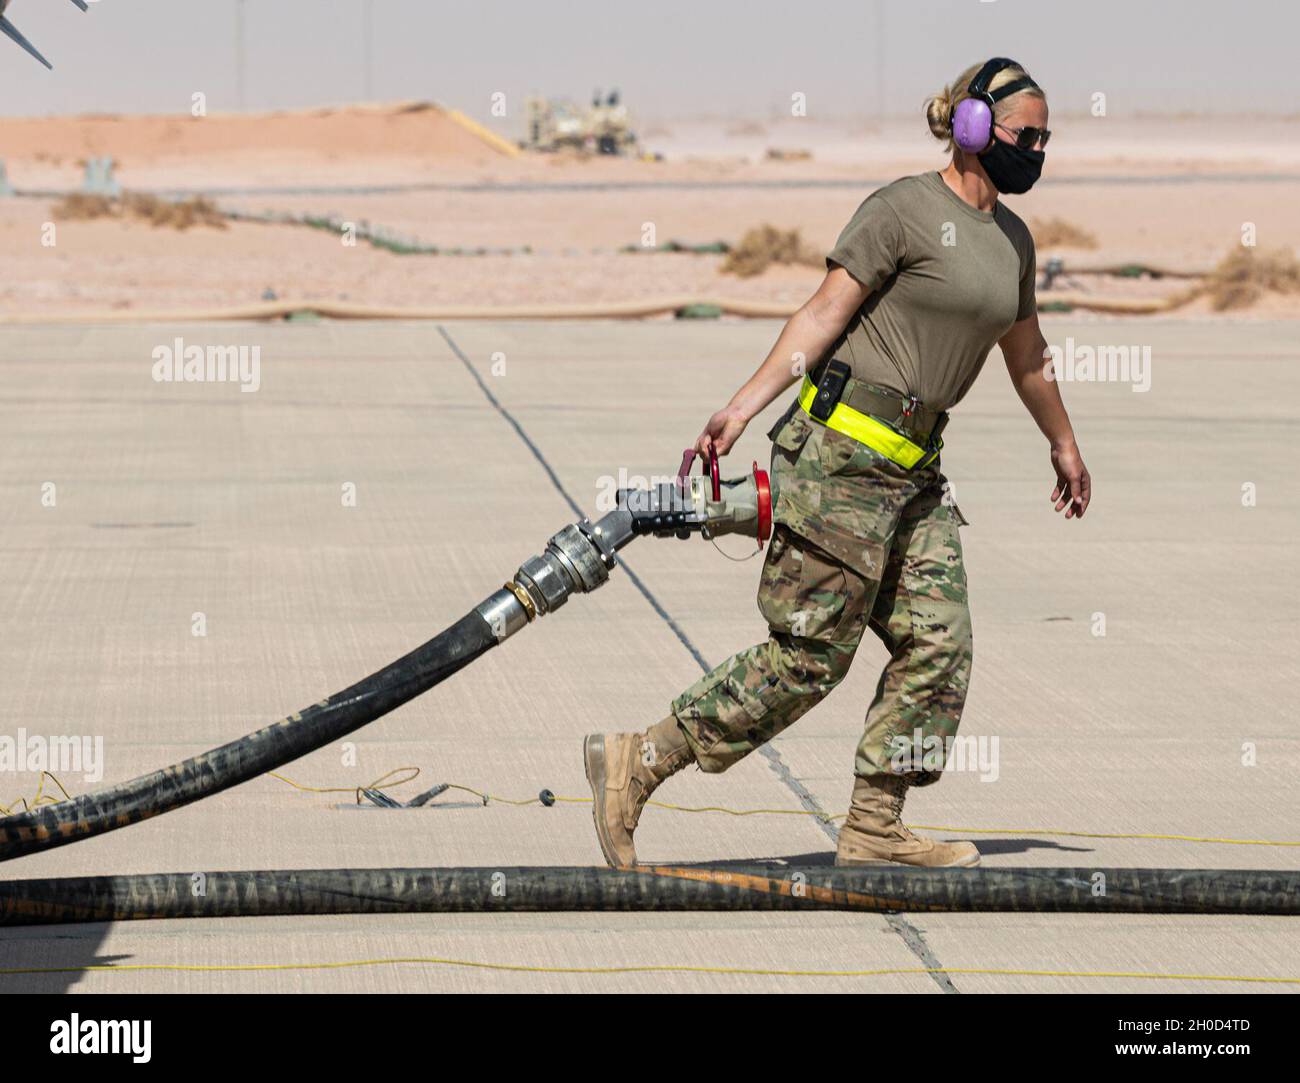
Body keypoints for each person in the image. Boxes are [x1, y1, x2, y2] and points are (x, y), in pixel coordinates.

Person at [584, 58, 1090, 869]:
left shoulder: (1014, 243)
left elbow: (1027, 355)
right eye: (1025, 134)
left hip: (917, 477)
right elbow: (821, 314)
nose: (1037, 149)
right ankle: (636, 760)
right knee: (810, 657)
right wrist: (742, 407)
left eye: (1046, 138)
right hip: (838, 462)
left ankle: (874, 826)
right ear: (970, 125)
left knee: (940, 643)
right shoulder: (900, 210)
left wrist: (1062, 441)